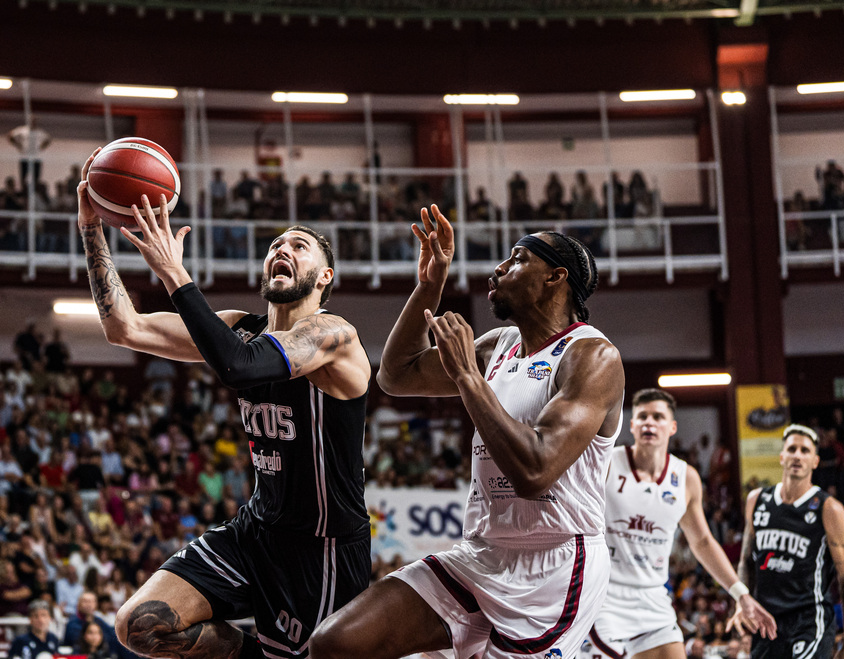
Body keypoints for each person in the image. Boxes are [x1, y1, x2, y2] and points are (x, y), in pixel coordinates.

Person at [76, 148, 371, 658]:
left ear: (324, 278)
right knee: (139, 625)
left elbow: (240, 366)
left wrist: (174, 273)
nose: (283, 248)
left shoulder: (332, 335)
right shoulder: (240, 326)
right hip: (254, 531)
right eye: (277, 244)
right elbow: (125, 327)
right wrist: (91, 230)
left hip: (320, 549)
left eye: (300, 246)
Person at [311, 205, 625, 659]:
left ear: (555, 277)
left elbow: (535, 471)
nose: (499, 268)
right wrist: (429, 285)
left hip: (554, 566)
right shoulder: (500, 346)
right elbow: (395, 376)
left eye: (518, 258)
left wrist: (468, 379)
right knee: (336, 643)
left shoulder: (592, 357)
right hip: (480, 553)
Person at [580, 389, 776, 659]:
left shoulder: (686, 478)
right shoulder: (608, 463)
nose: (649, 422)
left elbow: (703, 541)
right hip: (604, 597)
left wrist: (741, 594)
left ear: (672, 426)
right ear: (632, 425)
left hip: (653, 598)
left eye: (658, 416)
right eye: (643, 417)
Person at [731, 424, 844, 659]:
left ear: (815, 461)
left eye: (805, 451)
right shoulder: (757, 500)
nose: (797, 455)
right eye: (792, 449)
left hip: (809, 620)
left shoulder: (829, 508)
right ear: (782, 457)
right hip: (767, 621)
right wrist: (740, 601)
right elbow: (746, 560)